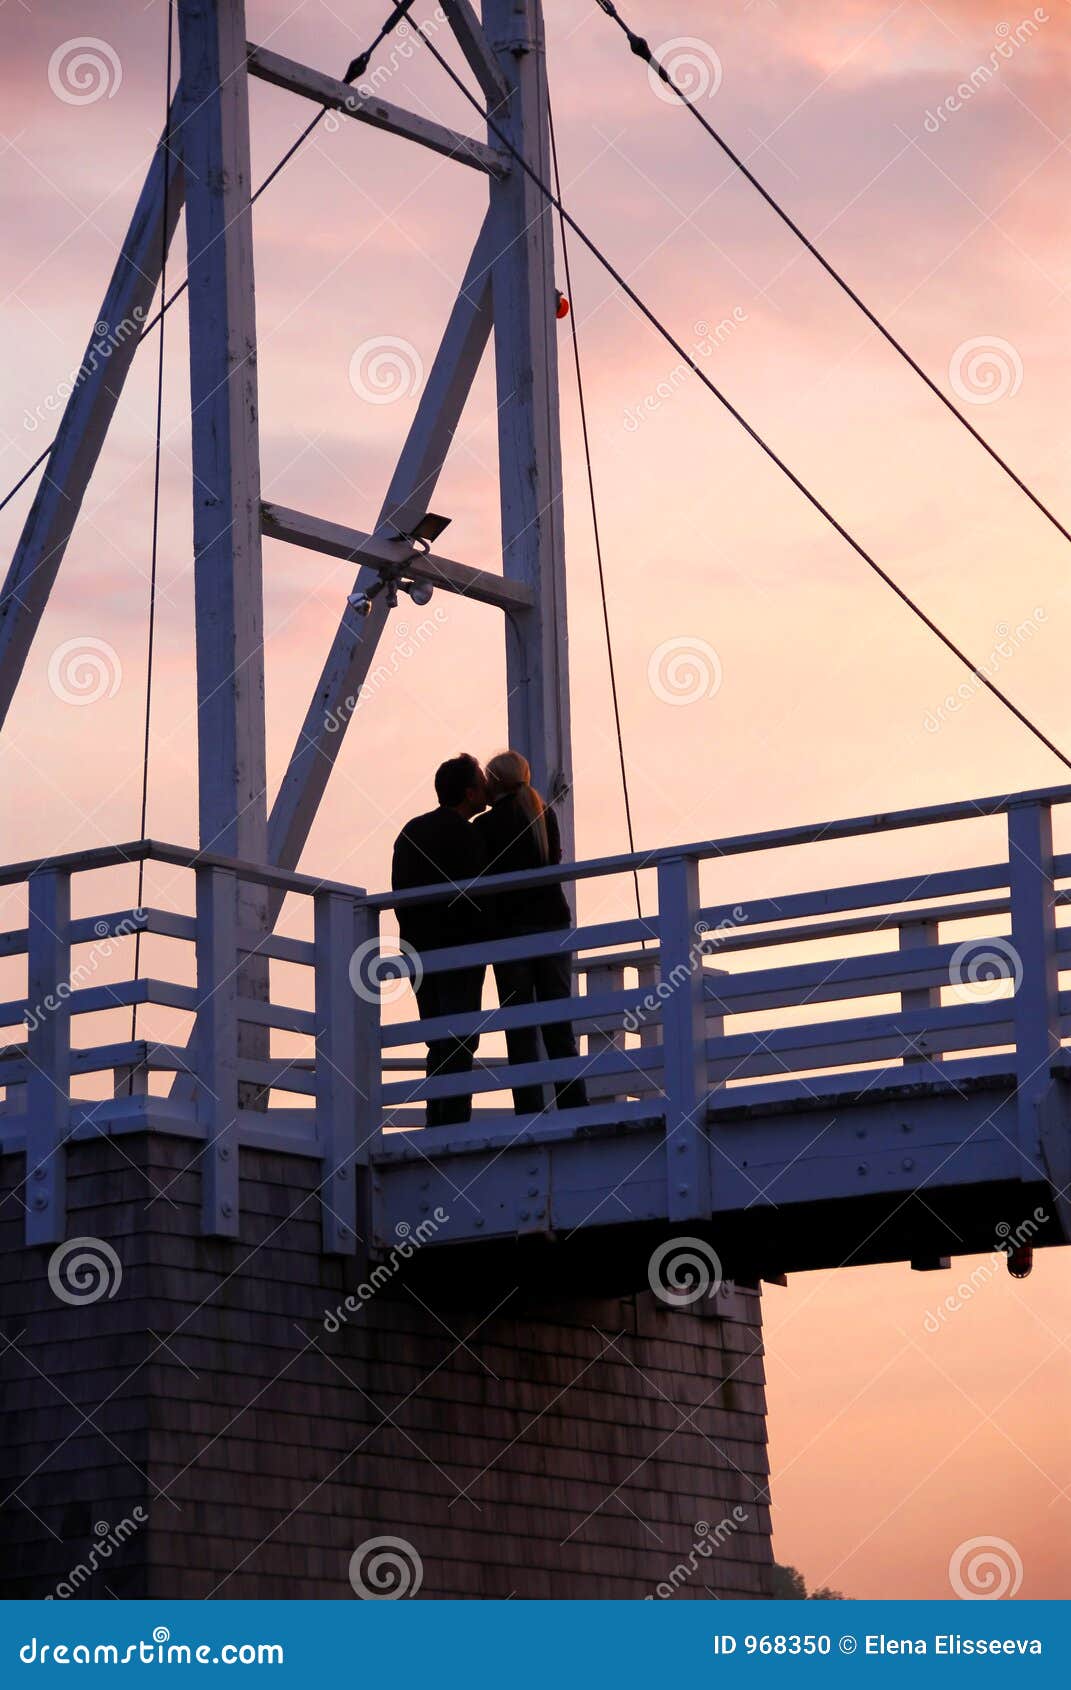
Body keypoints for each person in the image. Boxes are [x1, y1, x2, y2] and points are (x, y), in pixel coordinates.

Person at [474, 750, 588, 1115]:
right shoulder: (543, 813)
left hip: (511, 929)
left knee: (519, 1024)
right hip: (553, 921)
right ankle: (574, 1103)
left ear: (493, 782)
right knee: (558, 1020)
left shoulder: (486, 827)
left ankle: (529, 1109)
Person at [391, 754, 488, 1127]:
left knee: (437, 1036)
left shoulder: (412, 831)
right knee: (461, 1038)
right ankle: (453, 1120)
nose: (485, 789)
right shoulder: (468, 836)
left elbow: (401, 890)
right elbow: (480, 895)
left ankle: (437, 1117)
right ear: (468, 792)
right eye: (481, 783)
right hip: (458, 948)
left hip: (418, 946)